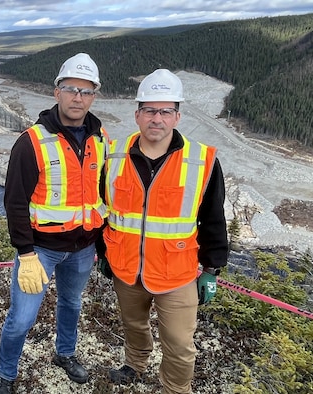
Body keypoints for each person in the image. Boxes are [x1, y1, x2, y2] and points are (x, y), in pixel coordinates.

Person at [97, 69, 228, 394]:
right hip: (126, 269)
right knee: (133, 325)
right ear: (138, 114)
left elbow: (213, 219)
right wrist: (104, 253)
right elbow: (103, 208)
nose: (157, 118)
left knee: (180, 345)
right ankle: (136, 363)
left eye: (165, 111)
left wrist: (211, 269)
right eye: (150, 110)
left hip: (177, 274)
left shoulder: (202, 161)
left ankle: (175, 389)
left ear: (177, 116)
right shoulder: (113, 154)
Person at [0, 53, 109, 394]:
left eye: (86, 91)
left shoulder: (100, 139)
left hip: (83, 249)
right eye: (71, 89)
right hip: (41, 251)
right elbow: (14, 201)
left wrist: (102, 244)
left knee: (71, 305)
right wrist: (25, 253)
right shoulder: (31, 142)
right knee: (22, 318)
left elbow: (100, 193)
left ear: (94, 96)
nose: (78, 97)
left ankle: (65, 354)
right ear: (56, 92)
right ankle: (7, 375)